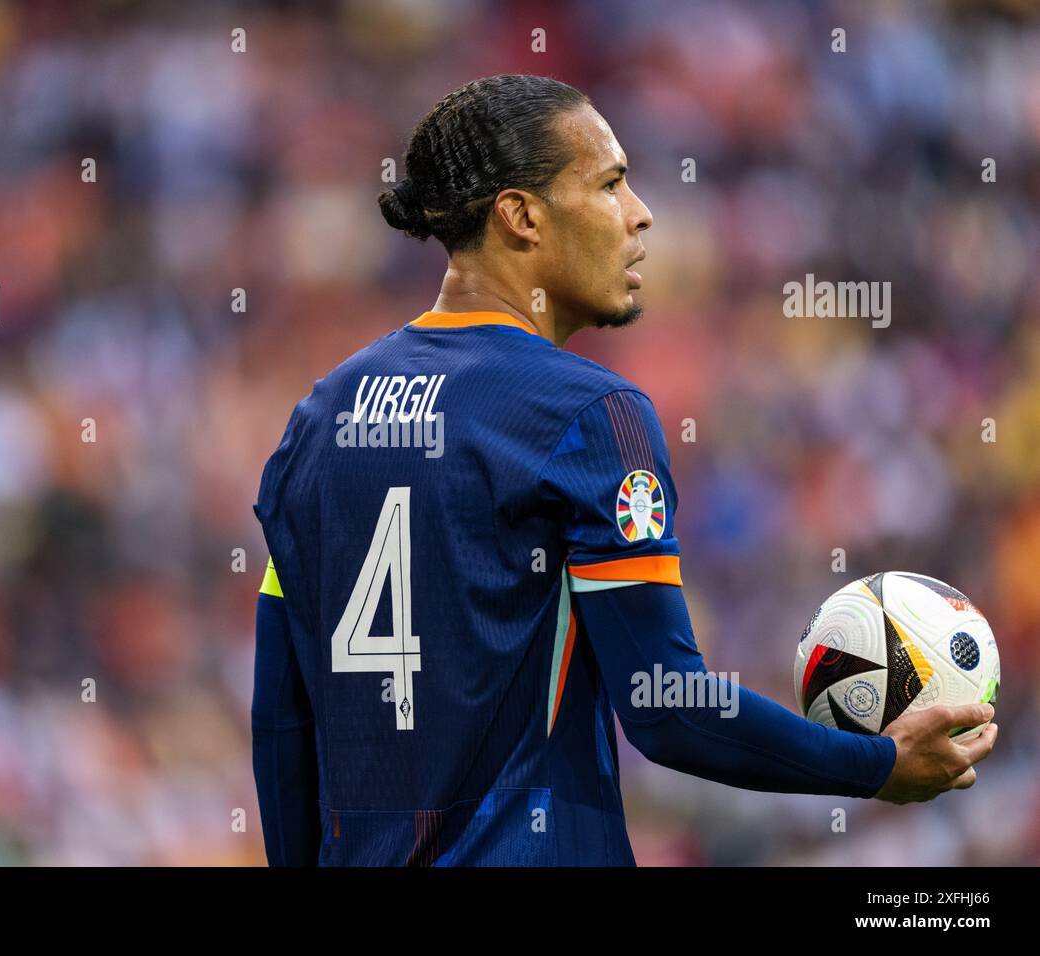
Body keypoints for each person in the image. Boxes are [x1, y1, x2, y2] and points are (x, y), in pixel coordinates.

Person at [250, 74, 997, 866]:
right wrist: (875, 766)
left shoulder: (317, 421)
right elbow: (665, 706)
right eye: (609, 183)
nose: (641, 213)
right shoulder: (588, 412)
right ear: (522, 216)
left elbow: (282, 725)